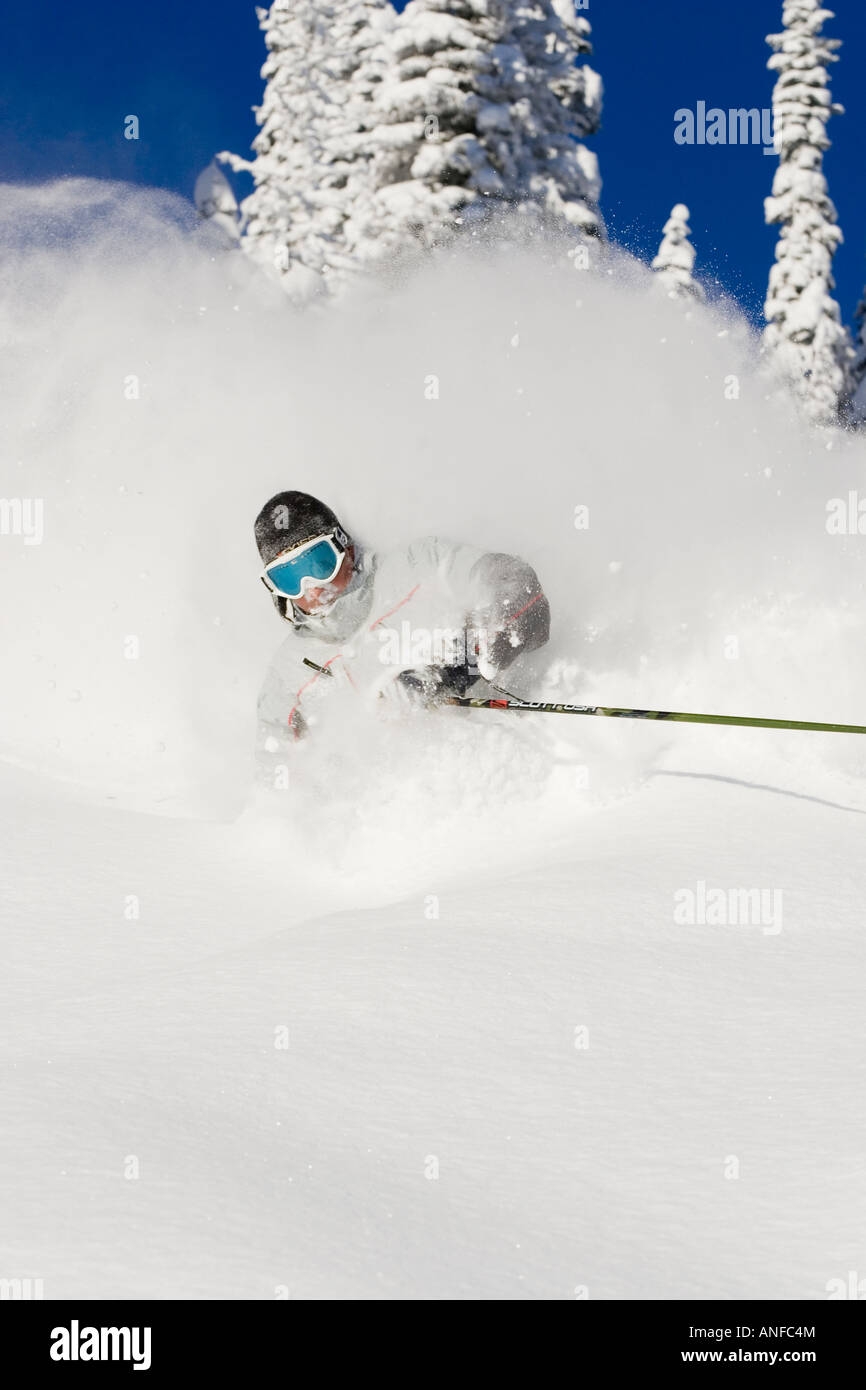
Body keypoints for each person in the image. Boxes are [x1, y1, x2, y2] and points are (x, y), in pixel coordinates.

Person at [254, 490, 550, 752]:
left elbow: (517, 591)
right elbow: (277, 783)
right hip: (388, 807)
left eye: (320, 564)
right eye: (289, 579)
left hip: (508, 759)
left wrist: (455, 669)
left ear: (347, 548)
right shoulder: (287, 675)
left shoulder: (417, 567)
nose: (312, 587)